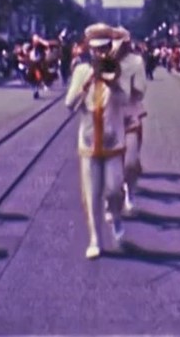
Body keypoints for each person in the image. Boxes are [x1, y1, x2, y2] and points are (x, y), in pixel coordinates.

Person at [65, 23, 128, 259]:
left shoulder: (119, 69)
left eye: (104, 49)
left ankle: (116, 215)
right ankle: (95, 239)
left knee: (113, 188)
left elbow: (127, 100)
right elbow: (69, 104)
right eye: (96, 50)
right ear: (90, 51)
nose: (100, 55)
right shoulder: (82, 71)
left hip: (112, 139)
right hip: (89, 140)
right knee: (91, 194)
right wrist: (86, 84)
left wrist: (114, 83)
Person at [113, 27, 147, 215]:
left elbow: (140, 90)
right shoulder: (103, 61)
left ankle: (130, 193)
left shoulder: (136, 62)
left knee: (130, 162)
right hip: (109, 116)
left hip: (129, 114)